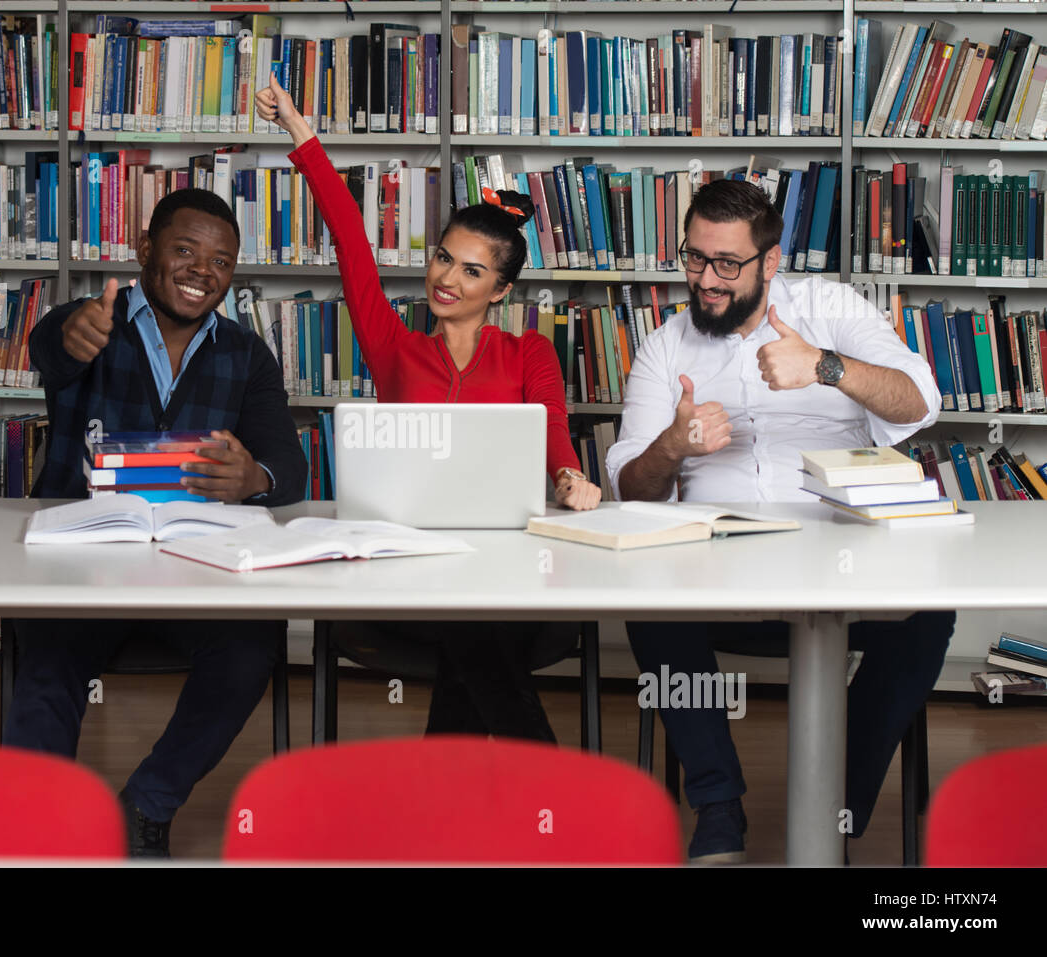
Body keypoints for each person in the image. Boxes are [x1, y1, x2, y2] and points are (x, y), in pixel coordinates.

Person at [606, 178, 953, 864]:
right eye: (694, 258)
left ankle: (836, 808)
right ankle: (717, 803)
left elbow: (920, 402)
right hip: (713, 560)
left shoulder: (831, 307)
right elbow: (628, 488)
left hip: (837, 551)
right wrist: (672, 444)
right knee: (644, 596)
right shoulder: (666, 345)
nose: (706, 280)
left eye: (726, 265)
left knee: (927, 613)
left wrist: (824, 367)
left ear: (771, 262)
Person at [256, 74, 601, 742]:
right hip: (412, 567)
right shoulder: (394, 348)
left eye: (472, 270)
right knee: (473, 632)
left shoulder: (531, 353)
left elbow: (554, 441)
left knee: (473, 636)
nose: (447, 277)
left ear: (500, 289)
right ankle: (550, 788)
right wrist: (300, 133)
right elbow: (352, 242)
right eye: (444, 257)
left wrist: (568, 478)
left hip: (509, 570)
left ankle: (458, 796)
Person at [4, 188, 307, 857]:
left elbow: (289, 462)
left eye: (221, 261)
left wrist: (255, 477)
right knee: (48, 663)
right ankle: (36, 828)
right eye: (184, 250)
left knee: (249, 651)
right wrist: (68, 333)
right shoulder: (93, 323)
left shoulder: (246, 353)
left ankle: (146, 804)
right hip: (82, 566)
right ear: (145, 249)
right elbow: (48, 349)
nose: (202, 270)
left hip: (191, 569)